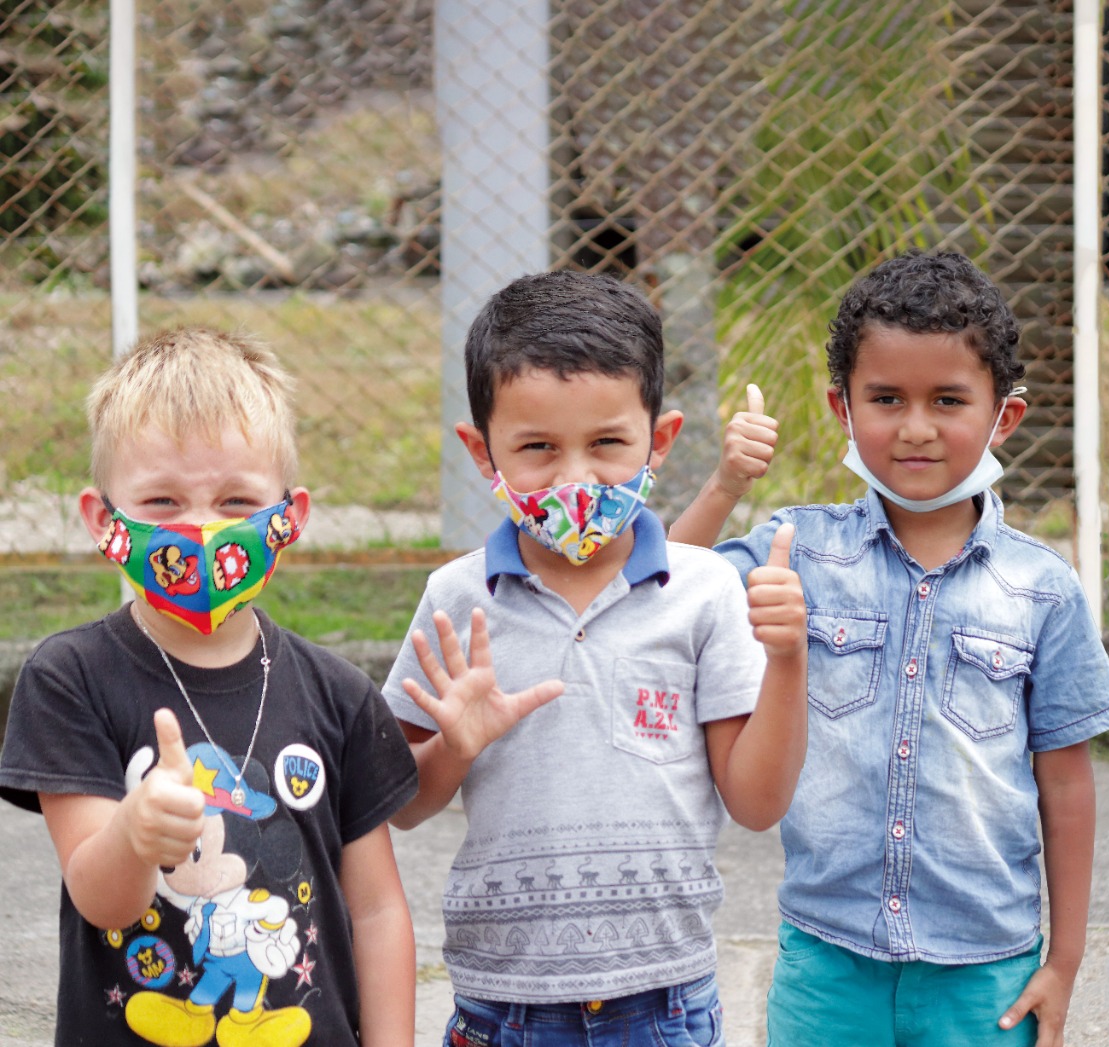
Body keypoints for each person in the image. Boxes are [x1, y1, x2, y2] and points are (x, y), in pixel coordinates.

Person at [669, 251, 1109, 1047]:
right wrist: (725, 486)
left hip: (987, 971)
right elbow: (665, 588)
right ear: (842, 409)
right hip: (827, 959)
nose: (915, 426)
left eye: (948, 399)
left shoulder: (1042, 587)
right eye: (886, 398)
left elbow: (1065, 781)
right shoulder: (797, 546)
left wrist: (1066, 959)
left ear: (1002, 418)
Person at [381, 269, 809, 1046]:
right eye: (537, 448)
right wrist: (455, 744)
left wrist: (788, 662)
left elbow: (756, 803)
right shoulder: (455, 598)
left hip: (664, 999)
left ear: (661, 439)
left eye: (607, 443)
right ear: (483, 451)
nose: (575, 478)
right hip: (500, 1002)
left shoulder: (705, 589)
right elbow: (403, 804)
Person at [0, 328, 419, 1047]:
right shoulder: (70, 679)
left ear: (290, 516)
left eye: (235, 500)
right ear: (105, 521)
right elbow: (102, 899)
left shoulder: (339, 693)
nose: (201, 529)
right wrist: (136, 834)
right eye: (162, 501)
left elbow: (377, 910)